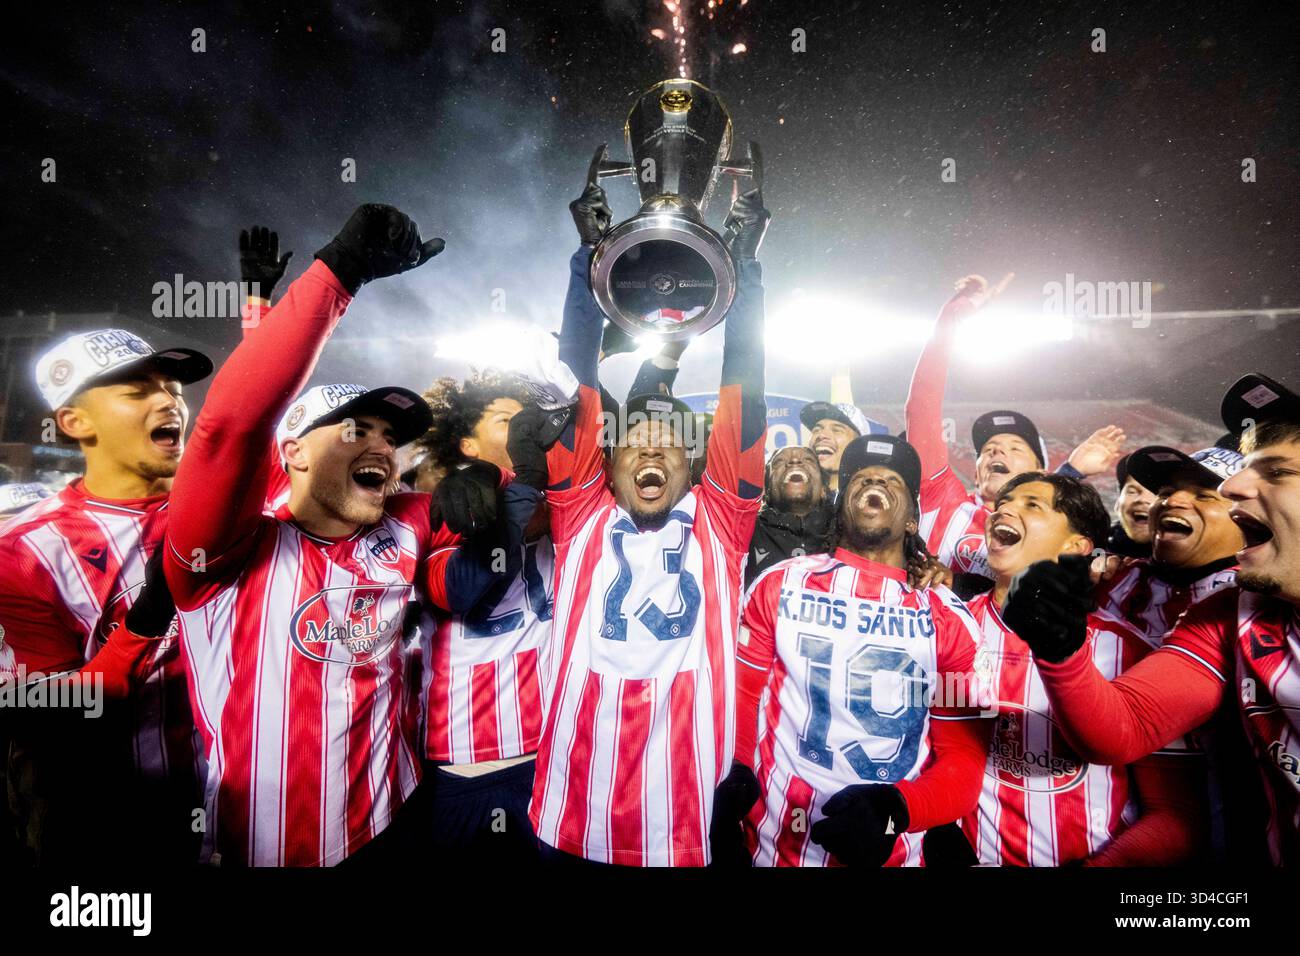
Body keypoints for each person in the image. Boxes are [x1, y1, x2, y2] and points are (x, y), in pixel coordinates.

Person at [162, 203, 535, 867]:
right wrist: (337, 275)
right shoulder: (223, 550)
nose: (383, 447)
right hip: (263, 848)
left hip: (398, 824)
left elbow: (534, 486)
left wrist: (489, 481)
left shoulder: (400, 523)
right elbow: (234, 427)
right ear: (293, 456)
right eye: (354, 430)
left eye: (391, 437)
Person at [506, 168, 770, 866]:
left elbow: (746, 393)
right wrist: (587, 267)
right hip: (567, 820)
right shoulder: (581, 515)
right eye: (636, 443)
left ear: (693, 469)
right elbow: (577, 386)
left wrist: (747, 278)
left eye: (670, 445)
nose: (652, 450)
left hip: (686, 830)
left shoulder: (719, 527)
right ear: (607, 464)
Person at [1002, 372, 1300, 865]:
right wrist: (1061, 650)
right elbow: (1125, 727)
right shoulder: (1229, 614)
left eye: (1276, 472)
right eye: (1244, 469)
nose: (1234, 485)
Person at [720, 434, 989, 866]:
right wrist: (734, 776)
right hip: (772, 848)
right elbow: (742, 700)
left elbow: (964, 757)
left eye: (892, 482)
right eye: (860, 479)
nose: (874, 483)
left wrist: (897, 812)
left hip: (891, 851)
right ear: (840, 505)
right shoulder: (777, 584)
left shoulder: (955, 621)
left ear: (912, 521)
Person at [0, 328, 214, 864]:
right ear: (75, 421)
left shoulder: (227, 510)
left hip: (235, 798)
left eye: (174, 390)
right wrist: (142, 628)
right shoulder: (25, 551)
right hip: (104, 816)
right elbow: (46, 709)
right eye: (137, 390)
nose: (169, 401)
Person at [963, 472, 1204, 865]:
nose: (1004, 508)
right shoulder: (947, 627)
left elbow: (1176, 818)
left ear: (1076, 546)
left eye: (1032, 504)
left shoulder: (1130, 651)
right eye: (1004, 502)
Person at [410, 370, 554, 865]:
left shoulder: (565, 514)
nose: (526, 429)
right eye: (508, 420)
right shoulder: (442, 515)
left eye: (531, 421)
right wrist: (506, 482)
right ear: (467, 445)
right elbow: (461, 589)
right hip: (472, 767)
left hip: (558, 761)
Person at [905, 274, 1127, 579]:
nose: (997, 450)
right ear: (975, 471)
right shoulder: (943, 499)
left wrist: (1071, 474)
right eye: (987, 450)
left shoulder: (1062, 533)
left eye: (1015, 447)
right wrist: (953, 315)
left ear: (1041, 470)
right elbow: (922, 405)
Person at [746, 445, 835, 587]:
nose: (794, 461)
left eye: (808, 460)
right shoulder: (745, 532)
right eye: (779, 461)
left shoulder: (845, 534)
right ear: (766, 490)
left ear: (823, 489)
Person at [800, 401, 885, 498]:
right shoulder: (794, 499)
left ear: (860, 445)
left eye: (837, 430)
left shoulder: (870, 501)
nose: (821, 435)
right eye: (816, 430)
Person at [1106, 454, 1156, 558]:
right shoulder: (1096, 548)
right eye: (1132, 492)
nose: (1142, 499)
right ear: (1117, 504)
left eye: (1157, 493)